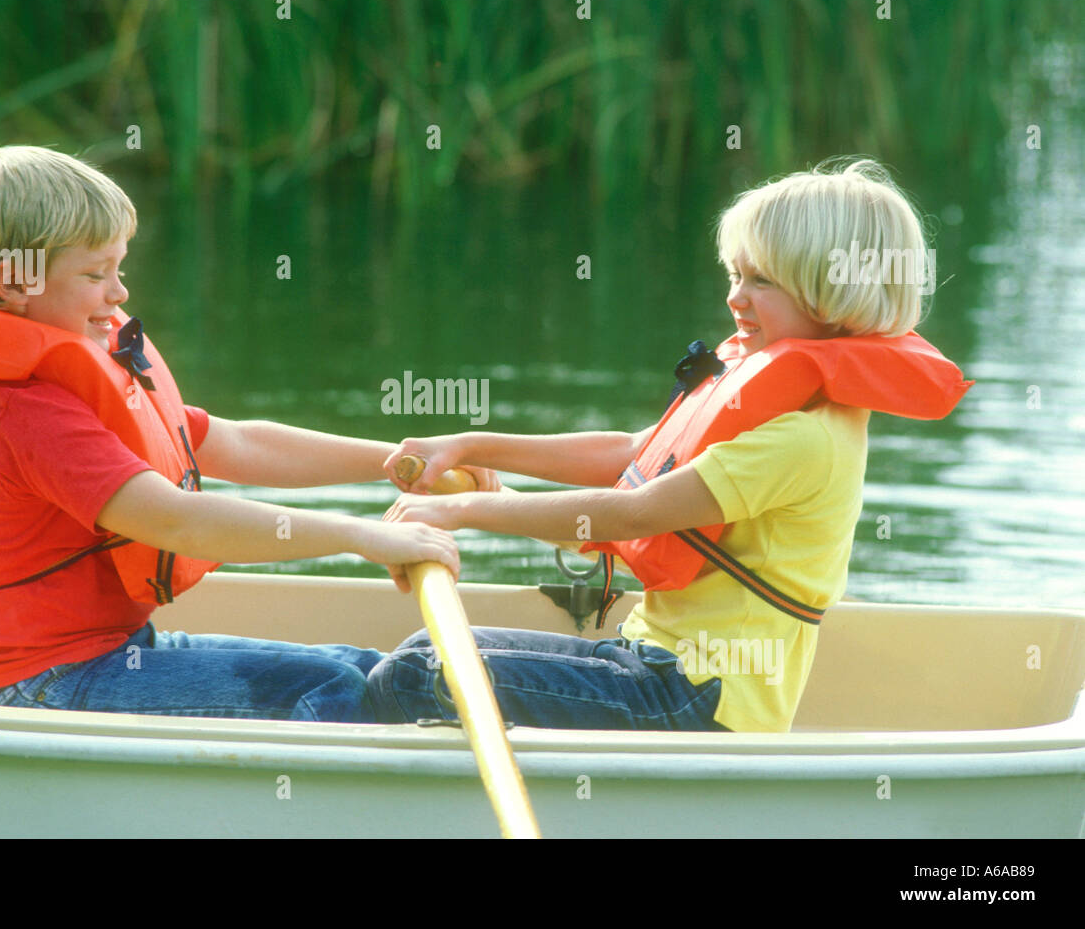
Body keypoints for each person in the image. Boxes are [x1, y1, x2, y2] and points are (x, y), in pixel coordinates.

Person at [370, 158, 973, 732]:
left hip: (695, 699)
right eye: (735, 274)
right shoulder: (780, 402)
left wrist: (462, 510)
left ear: (836, 294)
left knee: (420, 673)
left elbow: (636, 509)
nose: (736, 297)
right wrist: (473, 447)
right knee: (426, 652)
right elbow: (630, 453)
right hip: (655, 664)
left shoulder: (806, 439)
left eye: (762, 281)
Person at [0, 145, 472, 722]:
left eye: (119, 268)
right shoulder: (27, 413)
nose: (119, 293)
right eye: (96, 274)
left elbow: (236, 443)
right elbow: (177, 521)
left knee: (364, 668)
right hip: (43, 685)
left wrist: (399, 461)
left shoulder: (80, 377)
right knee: (330, 692)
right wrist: (363, 536)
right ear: (9, 283)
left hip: (117, 654)